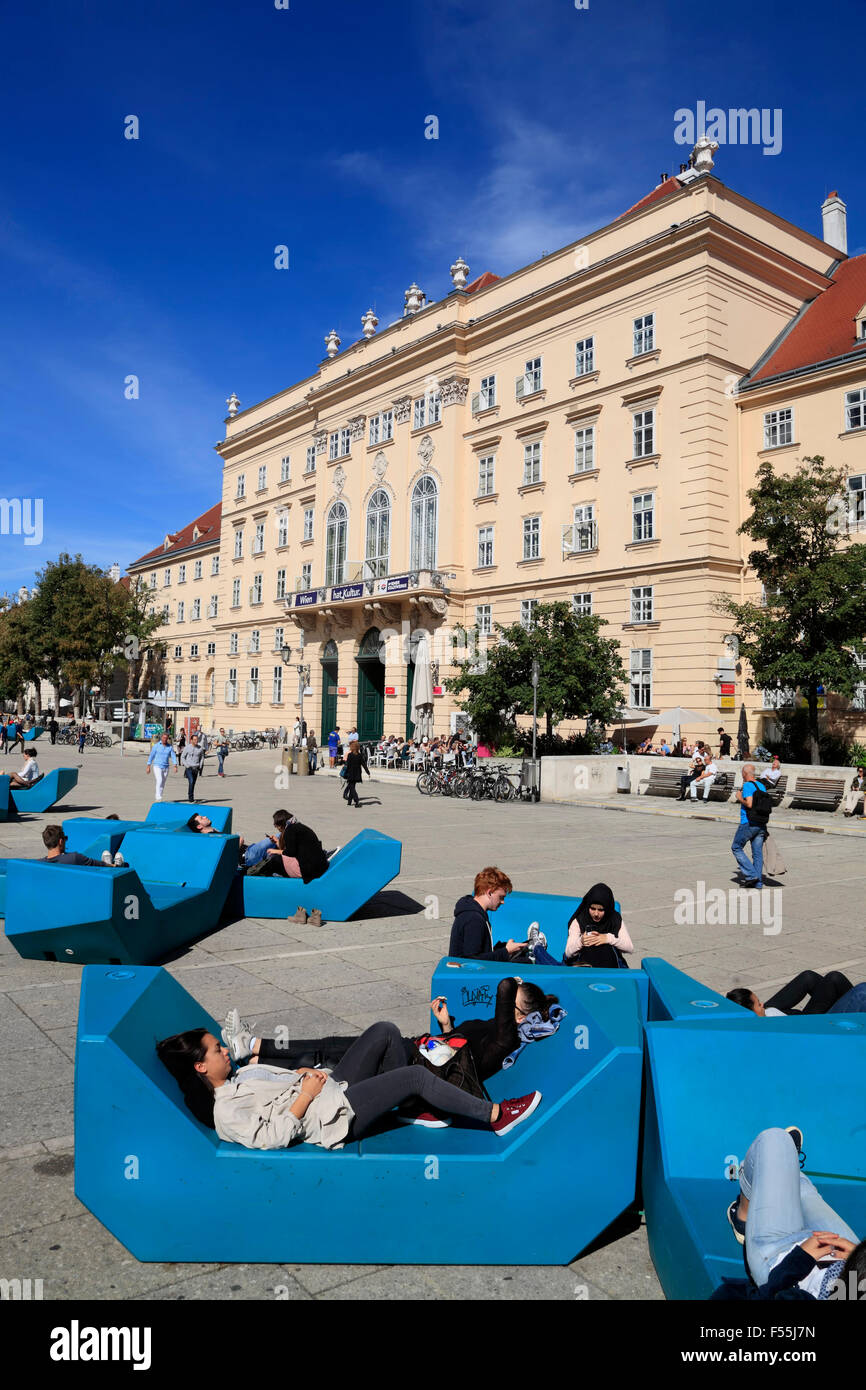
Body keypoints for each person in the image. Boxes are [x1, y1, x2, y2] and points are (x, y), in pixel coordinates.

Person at [157, 1023, 543, 1146]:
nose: (224, 1050)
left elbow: (277, 1086)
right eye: (215, 1050)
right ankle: (494, 1115)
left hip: (330, 1088)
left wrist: (301, 1076)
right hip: (332, 1115)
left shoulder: (238, 1075)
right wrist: (306, 1094)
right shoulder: (226, 1110)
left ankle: (411, 1107)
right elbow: (273, 1137)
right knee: (414, 1074)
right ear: (200, 1067)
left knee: (386, 1033)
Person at [718, 1127, 863, 1301]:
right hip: (847, 1262)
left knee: (773, 1140)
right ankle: (784, 1166)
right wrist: (859, 1261)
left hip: (786, 1263)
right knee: (802, 1187)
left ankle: (743, 1216)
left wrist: (801, 1259)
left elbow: (767, 1296)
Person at [431, 976, 564, 1082]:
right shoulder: (491, 1025)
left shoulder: (505, 1040)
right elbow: (451, 1048)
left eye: (509, 1001)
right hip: (428, 1055)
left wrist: (513, 982)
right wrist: (446, 1025)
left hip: (432, 1075)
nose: (502, 1002)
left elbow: (505, 985)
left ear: (522, 1018)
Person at [530, 883, 634, 969]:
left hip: (611, 966)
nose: (596, 914)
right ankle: (537, 947)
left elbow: (630, 948)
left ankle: (537, 948)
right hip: (584, 965)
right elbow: (568, 953)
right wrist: (581, 941)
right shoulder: (579, 920)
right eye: (593, 909)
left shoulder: (614, 919)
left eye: (601, 910)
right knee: (556, 970)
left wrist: (608, 938)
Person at [448, 867, 529, 962]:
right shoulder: (474, 919)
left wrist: (503, 948)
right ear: (489, 893)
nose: (503, 902)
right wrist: (506, 951)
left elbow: (477, 952)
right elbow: (471, 961)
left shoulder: (473, 912)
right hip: (467, 975)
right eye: (501, 897)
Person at [727, 971, 866, 1016]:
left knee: (811, 977)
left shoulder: (764, 1012)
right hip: (811, 1027)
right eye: (758, 1004)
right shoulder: (768, 1030)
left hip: (782, 1013)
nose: (761, 1003)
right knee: (861, 992)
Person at [247, 809, 329, 883]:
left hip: (309, 871)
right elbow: (293, 850)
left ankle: (253, 876)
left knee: (275, 860)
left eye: (275, 825)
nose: (276, 828)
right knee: (277, 857)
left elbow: (290, 853)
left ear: (279, 825)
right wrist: (277, 843)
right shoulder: (299, 827)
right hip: (320, 866)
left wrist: (275, 851)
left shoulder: (289, 831)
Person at [731, 761, 769, 887]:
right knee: (757, 853)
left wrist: (739, 797)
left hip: (748, 822)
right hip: (761, 823)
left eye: (742, 772)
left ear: (745, 773)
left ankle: (751, 875)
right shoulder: (761, 786)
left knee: (736, 847)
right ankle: (758, 883)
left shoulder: (747, 785)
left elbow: (749, 804)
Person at [41, 824, 124, 866]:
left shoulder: (40, 863)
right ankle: (115, 867)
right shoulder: (73, 858)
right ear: (60, 841)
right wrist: (112, 866)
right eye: (65, 838)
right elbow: (94, 863)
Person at [146, 732, 178, 801]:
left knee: (163, 782)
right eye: (163, 738)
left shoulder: (169, 747)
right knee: (159, 780)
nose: (165, 739)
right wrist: (148, 766)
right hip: (157, 766)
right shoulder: (156, 746)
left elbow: (173, 756)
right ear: (161, 738)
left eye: (166, 738)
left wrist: (175, 765)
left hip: (166, 767)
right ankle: (158, 797)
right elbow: (151, 756)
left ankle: (160, 795)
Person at [343, 739, 369, 809]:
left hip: (351, 773)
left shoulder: (350, 755)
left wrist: (345, 773)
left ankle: (356, 800)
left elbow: (348, 765)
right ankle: (349, 802)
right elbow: (364, 764)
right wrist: (367, 772)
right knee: (352, 786)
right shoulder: (360, 755)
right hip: (357, 773)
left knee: (352, 787)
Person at [180, 734, 205, 802]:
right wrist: (186, 765)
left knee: (193, 783)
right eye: (194, 739)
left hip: (196, 768)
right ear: (191, 740)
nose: (196, 741)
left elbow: (202, 757)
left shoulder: (200, 748)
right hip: (189, 768)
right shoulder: (187, 747)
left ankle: (191, 797)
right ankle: (191, 798)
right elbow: (182, 757)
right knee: (191, 781)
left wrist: (200, 765)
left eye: (197, 739)